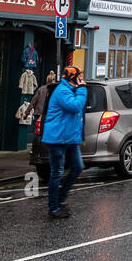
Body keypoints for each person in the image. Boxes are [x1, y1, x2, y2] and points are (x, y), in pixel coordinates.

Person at [42, 66, 86, 219]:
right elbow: (75, 106)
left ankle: (61, 198)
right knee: (57, 173)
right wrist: (82, 89)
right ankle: (53, 208)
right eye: (79, 77)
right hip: (57, 139)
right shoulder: (62, 91)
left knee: (78, 167)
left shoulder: (69, 90)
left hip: (69, 139)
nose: (82, 79)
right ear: (72, 78)